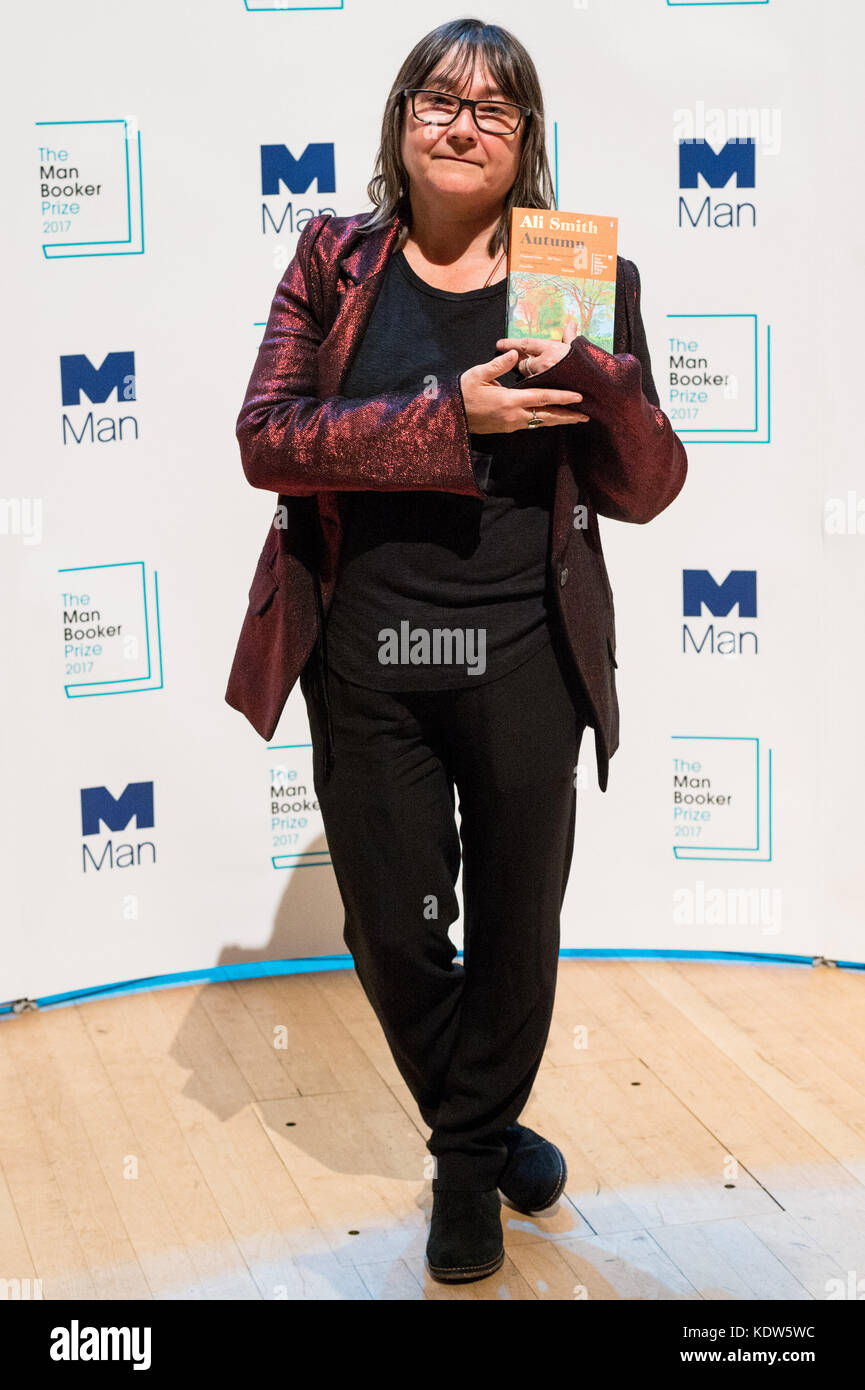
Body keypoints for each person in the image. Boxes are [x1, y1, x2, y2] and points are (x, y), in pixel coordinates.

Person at [226, 16, 688, 1285]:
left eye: (494, 107)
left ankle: (466, 1176)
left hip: (528, 653)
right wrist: (450, 414)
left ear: (526, 139)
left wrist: (599, 375)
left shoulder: (580, 274)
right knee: (392, 930)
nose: (463, 124)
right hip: (367, 658)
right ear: (401, 121)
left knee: (517, 925)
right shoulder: (335, 260)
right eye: (438, 99)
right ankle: (487, 1132)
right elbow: (268, 436)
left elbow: (647, 487)